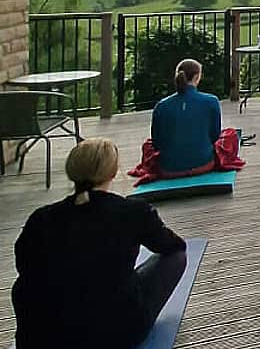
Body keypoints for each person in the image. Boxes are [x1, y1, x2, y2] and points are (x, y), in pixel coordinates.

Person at [12, 138, 188, 349]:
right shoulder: (134, 212)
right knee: (177, 258)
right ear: (112, 172)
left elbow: (24, 266)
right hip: (114, 333)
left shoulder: (40, 218)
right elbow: (173, 246)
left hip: (43, 337)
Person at [150, 58, 222, 177]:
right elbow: (215, 136)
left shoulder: (161, 106)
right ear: (196, 77)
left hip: (168, 168)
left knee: (147, 146)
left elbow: (156, 142)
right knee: (230, 136)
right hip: (203, 164)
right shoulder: (211, 101)